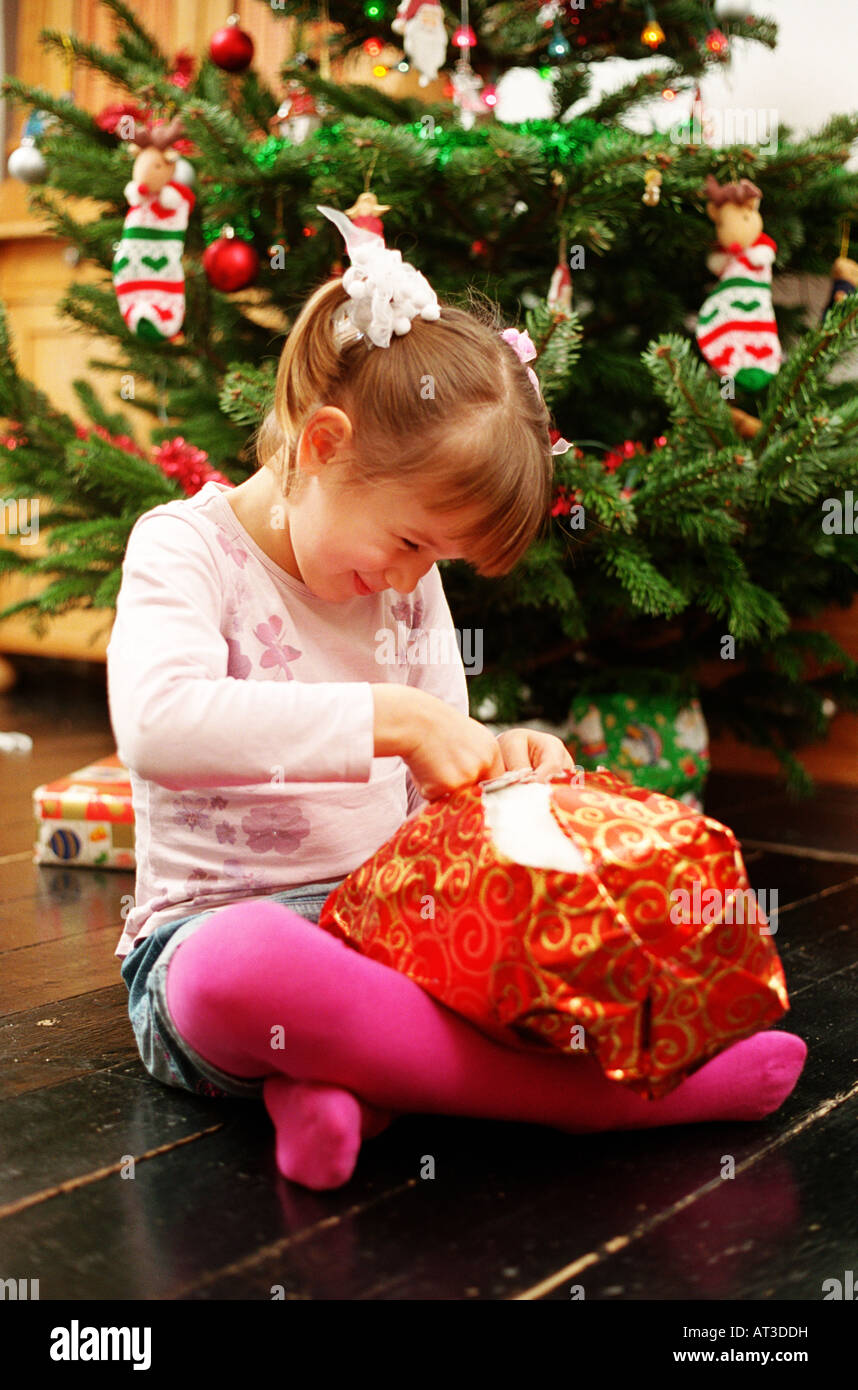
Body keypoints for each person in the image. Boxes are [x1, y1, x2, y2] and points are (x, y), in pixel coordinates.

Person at [108, 206, 806, 1192]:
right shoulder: (184, 549)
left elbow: (436, 790)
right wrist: (395, 719)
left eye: (436, 557)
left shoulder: (407, 582)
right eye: (407, 542)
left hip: (386, 927)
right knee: (244, 966)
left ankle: (345, 1084)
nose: (410, 579)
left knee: (487, 955)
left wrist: (503, 761)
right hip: (208, 939)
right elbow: (158, 727)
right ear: (322, 444)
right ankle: (598, 1102)